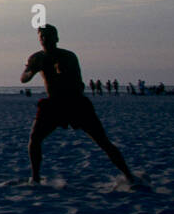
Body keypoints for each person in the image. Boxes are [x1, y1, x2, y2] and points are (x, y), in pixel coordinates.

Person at [21, 25, 134, 184]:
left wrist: (62, 73)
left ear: (57, 38)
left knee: (102, 141)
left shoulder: (68, 56)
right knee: (35, 139)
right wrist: (30, 71)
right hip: (53, 104)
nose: (45, 39)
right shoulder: (36, 58)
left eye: (49, 36)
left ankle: (128, 175)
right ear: (39, 39)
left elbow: (77, 82)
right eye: (42, 36)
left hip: (75, 102)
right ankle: (35, 178)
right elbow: (24, 78)